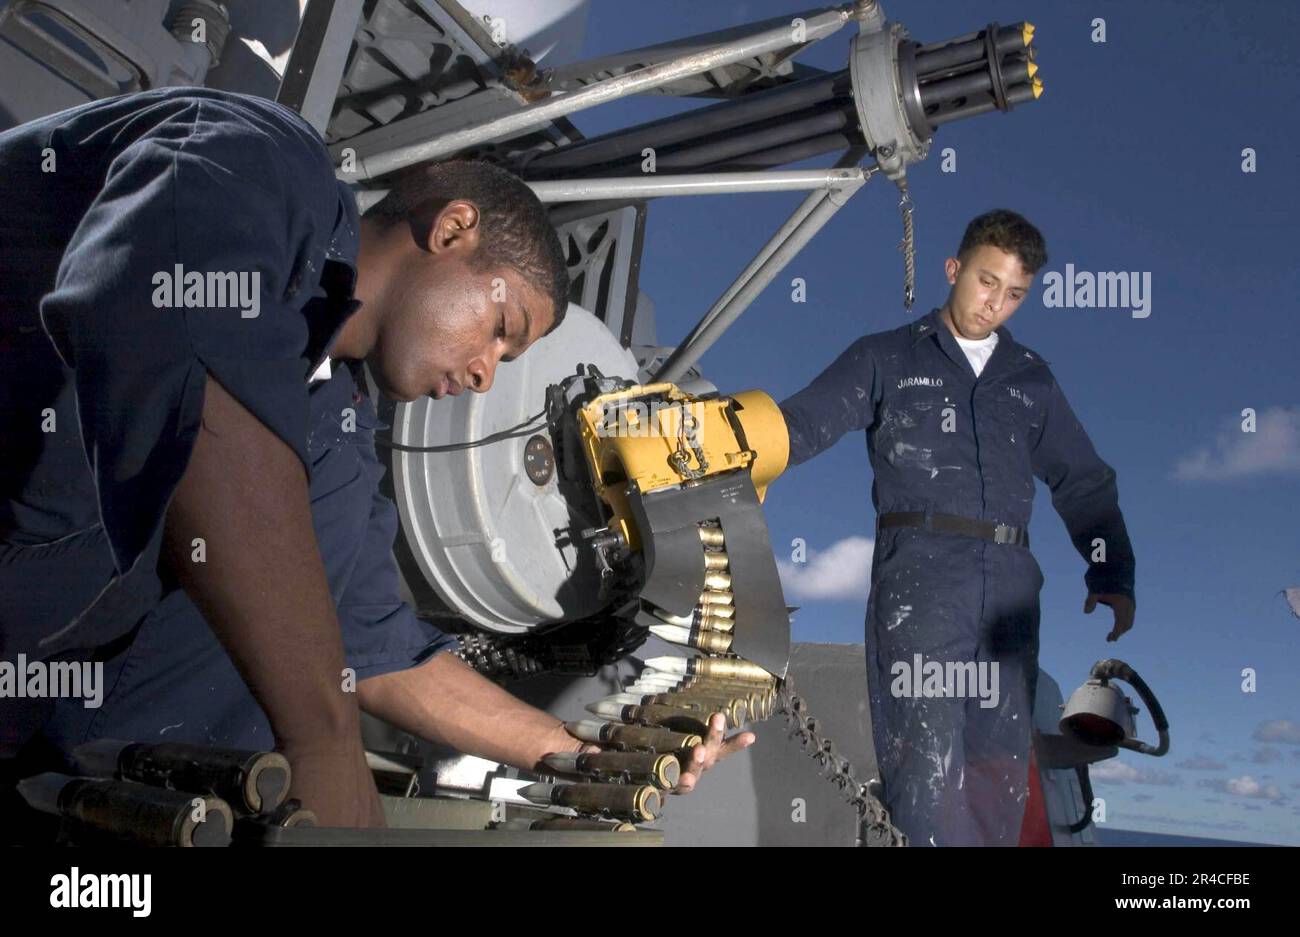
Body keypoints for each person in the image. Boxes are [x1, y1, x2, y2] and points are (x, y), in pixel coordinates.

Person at [0, 87, 748, 829]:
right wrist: (322, 739)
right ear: (453, 229)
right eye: (498, 328)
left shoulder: (333, 425)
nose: (488, 373)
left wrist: (590, 757)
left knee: (302, 611)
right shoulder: (262, 158)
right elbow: (181, 346)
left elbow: (375, 649)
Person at [777, 210, 1136, 845]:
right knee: (927, 779)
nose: (995, 304)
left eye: (1014, 293)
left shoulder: (1031, 379)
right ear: (953, 269)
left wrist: (1111, 570)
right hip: (921, 583)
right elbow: (801, 423)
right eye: (985, 281)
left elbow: (1083, 479)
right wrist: (719, 444)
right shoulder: (886, 356)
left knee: (998, 776)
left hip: (1011, 594)